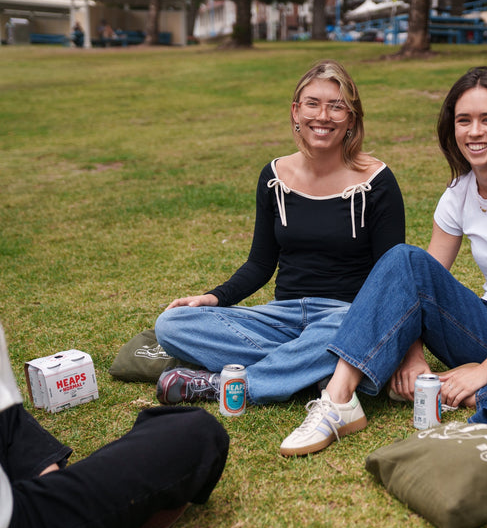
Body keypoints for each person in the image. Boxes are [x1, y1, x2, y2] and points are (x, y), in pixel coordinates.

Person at [280, 66, 487, 457]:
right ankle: (338, 400)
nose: (475, 132)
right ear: (452, 129)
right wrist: (414, 357)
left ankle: (473, 393)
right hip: (484, 325)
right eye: (464, 120)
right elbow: (415, 286)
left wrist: (483, 370)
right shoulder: (458, 193)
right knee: (404, 258)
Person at [154, 60, 405, 407]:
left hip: (346, 316)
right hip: (281, 317)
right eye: (313, 104)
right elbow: (260, 264)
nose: (323, 116)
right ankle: (319, 367)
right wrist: (212, 298)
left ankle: (234, 385)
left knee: (346, 332)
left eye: (337, 107)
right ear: (296, 112)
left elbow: (390, 277)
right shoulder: (274, 177)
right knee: (172, 324)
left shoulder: (376, 181)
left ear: (351, 119)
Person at [0, 306, 230, 528]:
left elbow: (6, 418)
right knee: (197, 431)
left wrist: (53, 484)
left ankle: (56, 488)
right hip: (15, 520)